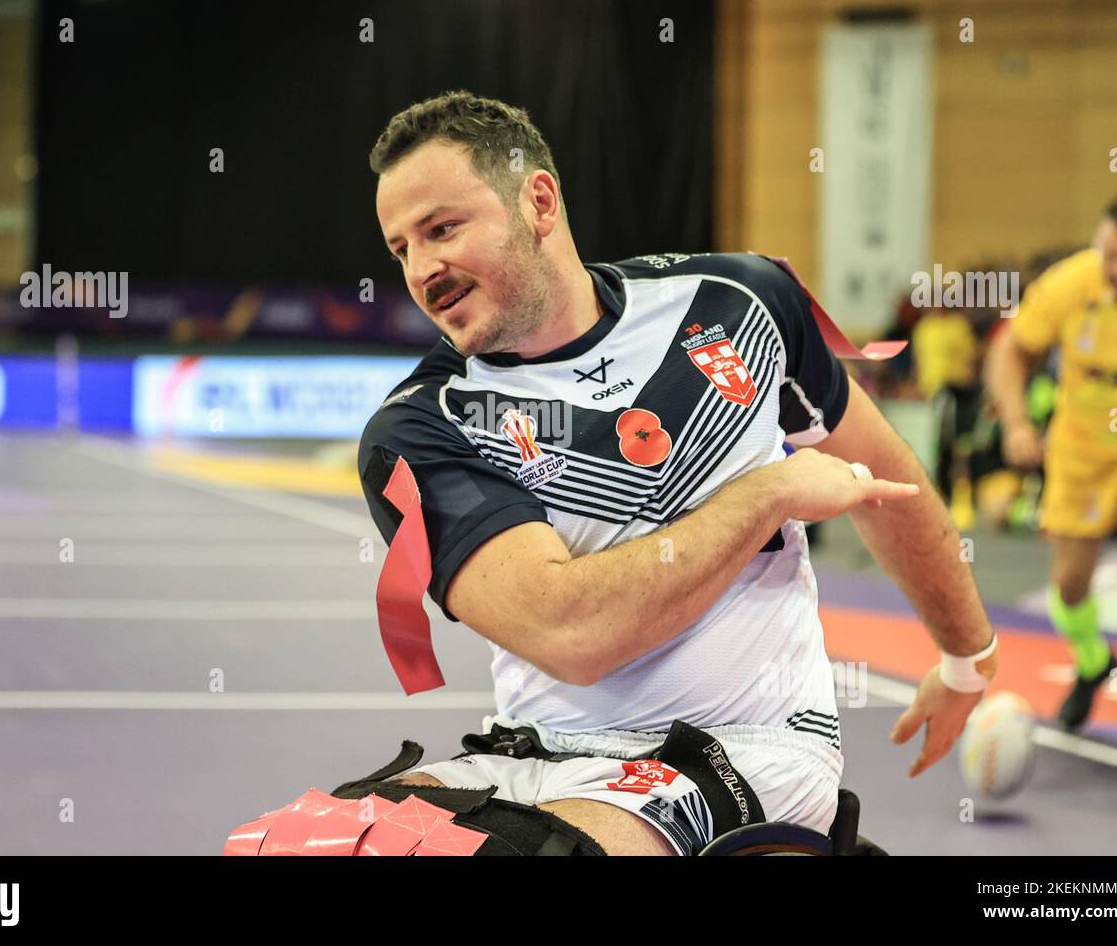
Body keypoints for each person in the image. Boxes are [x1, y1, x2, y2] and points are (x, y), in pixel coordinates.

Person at [356, 90, 999, 855]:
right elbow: (573, 632)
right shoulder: (421, 426)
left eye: (442, 229)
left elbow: (886, 483)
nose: (424, 269)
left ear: (538, 200)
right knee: (319, 842)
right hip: (542, 758)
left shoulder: (738, 303)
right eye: (401, 249)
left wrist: (967, 658)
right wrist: (769, 494)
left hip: (749, 751)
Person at [986, 198, 1117, 757]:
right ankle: (1093, 663)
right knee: (1069, 584)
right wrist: (1016, 422)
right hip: (1080, 453)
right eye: (1112, 256)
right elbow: (1010, 352)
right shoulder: (1069, 285)